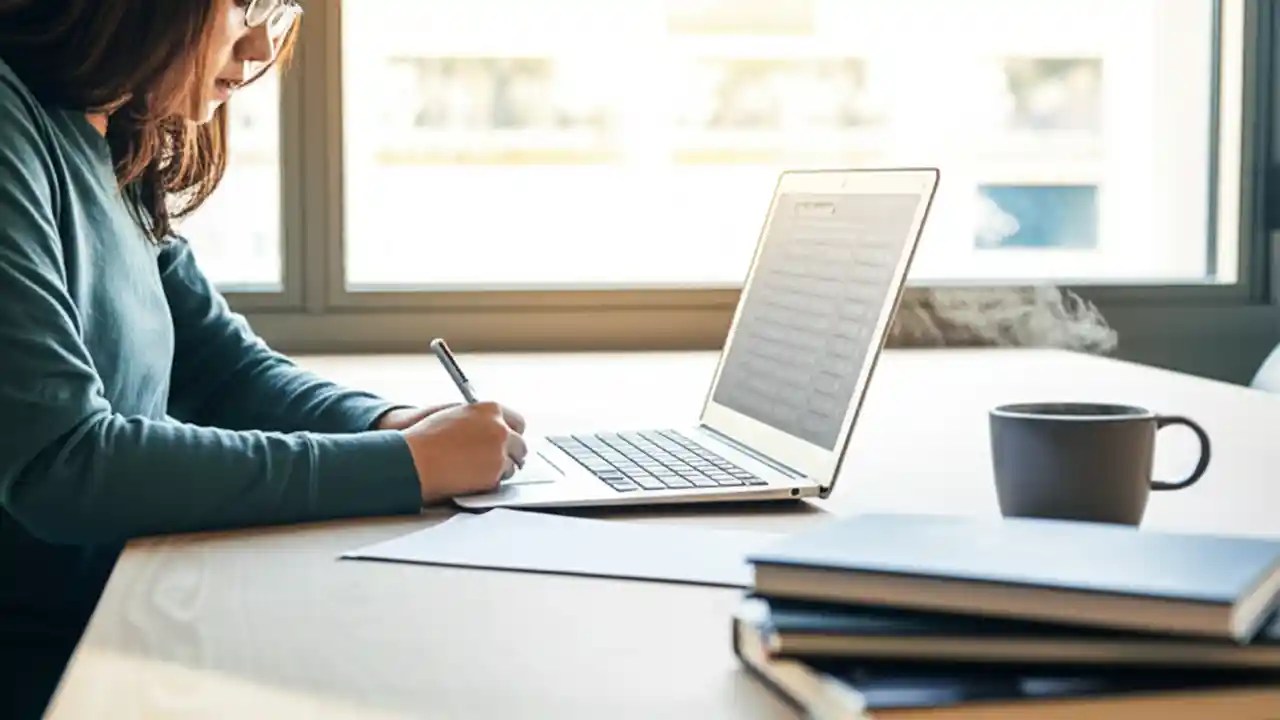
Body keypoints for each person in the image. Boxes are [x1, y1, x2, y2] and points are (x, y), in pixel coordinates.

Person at [0, 1, 530, 716]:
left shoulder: (108, 129)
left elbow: (224, 370)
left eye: (281, 8)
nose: (260, 48)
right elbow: (63, 465)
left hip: (116, 619)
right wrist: (408, 466)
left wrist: (389, 425)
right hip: (46, 668)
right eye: (245, 5)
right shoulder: (12, 126)